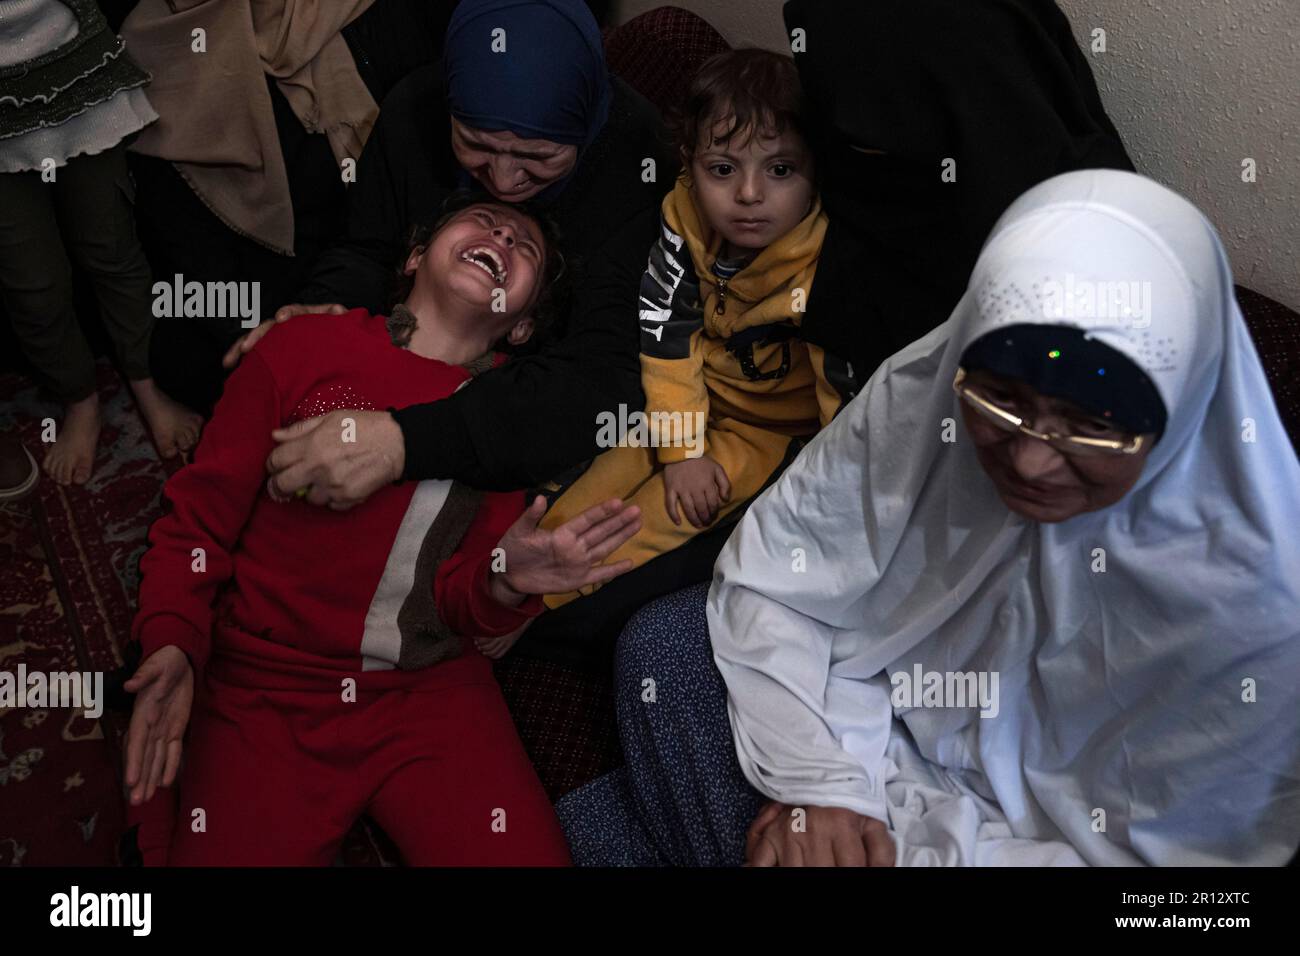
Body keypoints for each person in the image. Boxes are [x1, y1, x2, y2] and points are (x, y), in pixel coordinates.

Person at [557, 170, 1300, 867]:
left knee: (598, 831)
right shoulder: (928, 394)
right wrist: (820, 787)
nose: (1033, 462)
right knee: (668, 643)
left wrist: (898, 844)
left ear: (1183, 408)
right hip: (866, 726)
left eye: (1092, 424)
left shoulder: (1262, 615)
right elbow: (778, 576)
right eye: (1001, 401)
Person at [123, 195, 641, 865]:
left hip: (428, 697)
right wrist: (171, 642)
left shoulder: (511, 415)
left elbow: (460, 601)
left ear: (522, 326)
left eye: (525, 248)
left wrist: (505, 580)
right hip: (269, 687)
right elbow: (199, 520)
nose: (502, 234)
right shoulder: (304, 344)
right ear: (415, 256)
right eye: (483, 220)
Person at [225, 0, 674, 493]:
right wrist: (320, 314)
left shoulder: (642, 165)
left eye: (539, 156)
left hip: (532, 399)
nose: (503, 181)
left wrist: (404, 443)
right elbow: (367, 247)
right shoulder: (416, 105)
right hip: (401, 355)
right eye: (475, 143)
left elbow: (603, 381)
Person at [534, 49, 848, 621]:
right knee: (602, 478)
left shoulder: (827, 264)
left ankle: (549, 604)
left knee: (667, 512)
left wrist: (825, 500)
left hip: (772, 431)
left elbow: (844, 398)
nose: (750, 194)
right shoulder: (683, 225)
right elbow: (667, 336)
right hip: (690, 399)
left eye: (780, 170)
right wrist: (682, 447)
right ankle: (520, 575)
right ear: (689, 163)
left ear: (815, 169)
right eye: (722, 169)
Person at [0, 0, 202, 485]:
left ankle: (146, 380)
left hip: (75, 67)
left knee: (111, 247)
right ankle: (78, 398)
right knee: (32, 281)